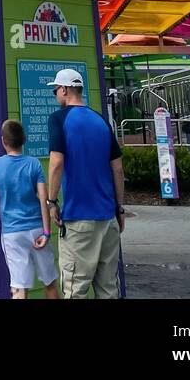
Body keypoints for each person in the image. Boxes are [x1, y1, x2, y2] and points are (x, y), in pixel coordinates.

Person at [45, 68, 125, 299]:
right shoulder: (100, 120)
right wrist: (119, 208)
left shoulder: (58, 119)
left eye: (55, 90)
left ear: (65, 89)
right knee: (108, 290)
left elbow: (57, 162)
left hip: (79, 221)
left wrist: (51, 201)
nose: (55, 95)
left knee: (75, 291)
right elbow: (117, 167)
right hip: (108, 219)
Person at [0, 119, 58, 300]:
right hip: (37, 229)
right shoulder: (34, 164)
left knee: (19, 288)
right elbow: (43, 198)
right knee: (49, 283)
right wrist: (46, 232)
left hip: (12, 234)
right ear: (24, 140)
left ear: (3, 140)